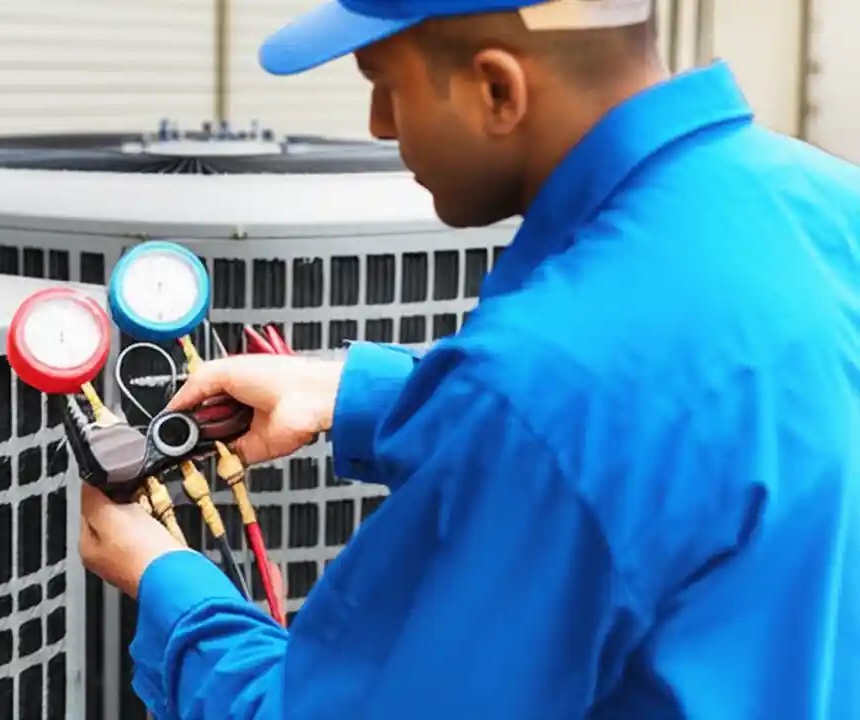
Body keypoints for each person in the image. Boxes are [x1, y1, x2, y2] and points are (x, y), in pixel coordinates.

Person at [79, 0, 860, 717]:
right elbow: (688, 425)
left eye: (385, 84)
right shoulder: (827, 201)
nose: (380, 124)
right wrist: (354, 392)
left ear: (496, 89)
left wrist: (170, 587)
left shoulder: (538, 386)